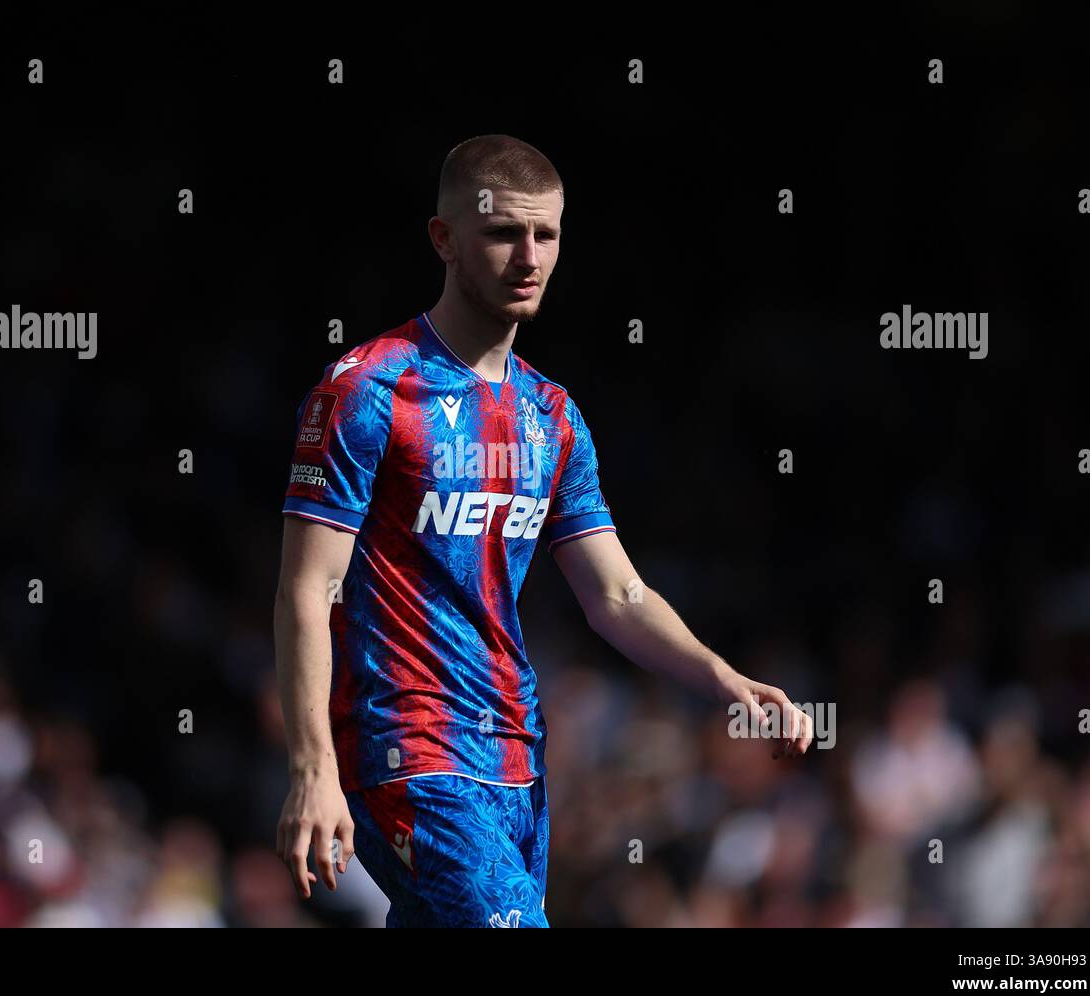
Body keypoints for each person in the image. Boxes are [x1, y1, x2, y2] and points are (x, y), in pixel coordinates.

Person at [274, 134, 812, 927]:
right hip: (409, 752)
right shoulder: (369, 389)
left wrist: (723, 680)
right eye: (502, 233)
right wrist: (312, 767)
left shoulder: (553, 416)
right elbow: (306, 587)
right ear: (444, 239)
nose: (529, 256)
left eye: (547, 234)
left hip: (519, 762)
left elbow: (619, 596)